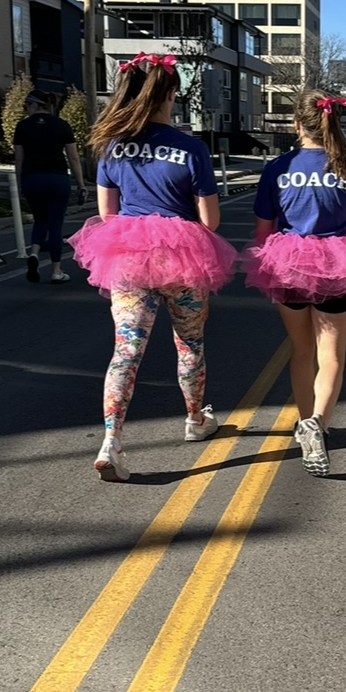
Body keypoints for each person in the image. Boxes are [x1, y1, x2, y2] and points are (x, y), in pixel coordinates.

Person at [68, 52, 238, 483]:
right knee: (189, 343)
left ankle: (111, 440)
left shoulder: (112, 145)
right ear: (171, 94)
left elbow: (107, 214)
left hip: (128, 257)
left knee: (126, 351)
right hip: (183, 258)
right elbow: (210, 221)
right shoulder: (191, 148)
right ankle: (195, 418)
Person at [242, 90, 346, 476]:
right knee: (332, 356)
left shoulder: (278, 168)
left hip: (288, 263)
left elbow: (262, 231)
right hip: (338, 264)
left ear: (296, 126)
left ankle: (306, 420)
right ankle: (317, 424)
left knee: (301, 350)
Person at [14, 90, 87, 284]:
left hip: (32, 178)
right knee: (55, 225)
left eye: (26, 106)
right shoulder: (61, 125)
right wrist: (81, 184)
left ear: (34, 105)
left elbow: (19, 159)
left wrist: (20, 183)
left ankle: (34, 253)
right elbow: (73, 158)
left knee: (40, 219)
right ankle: (56, 270)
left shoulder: (22, 126)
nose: (26, 109)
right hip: (57, 178)